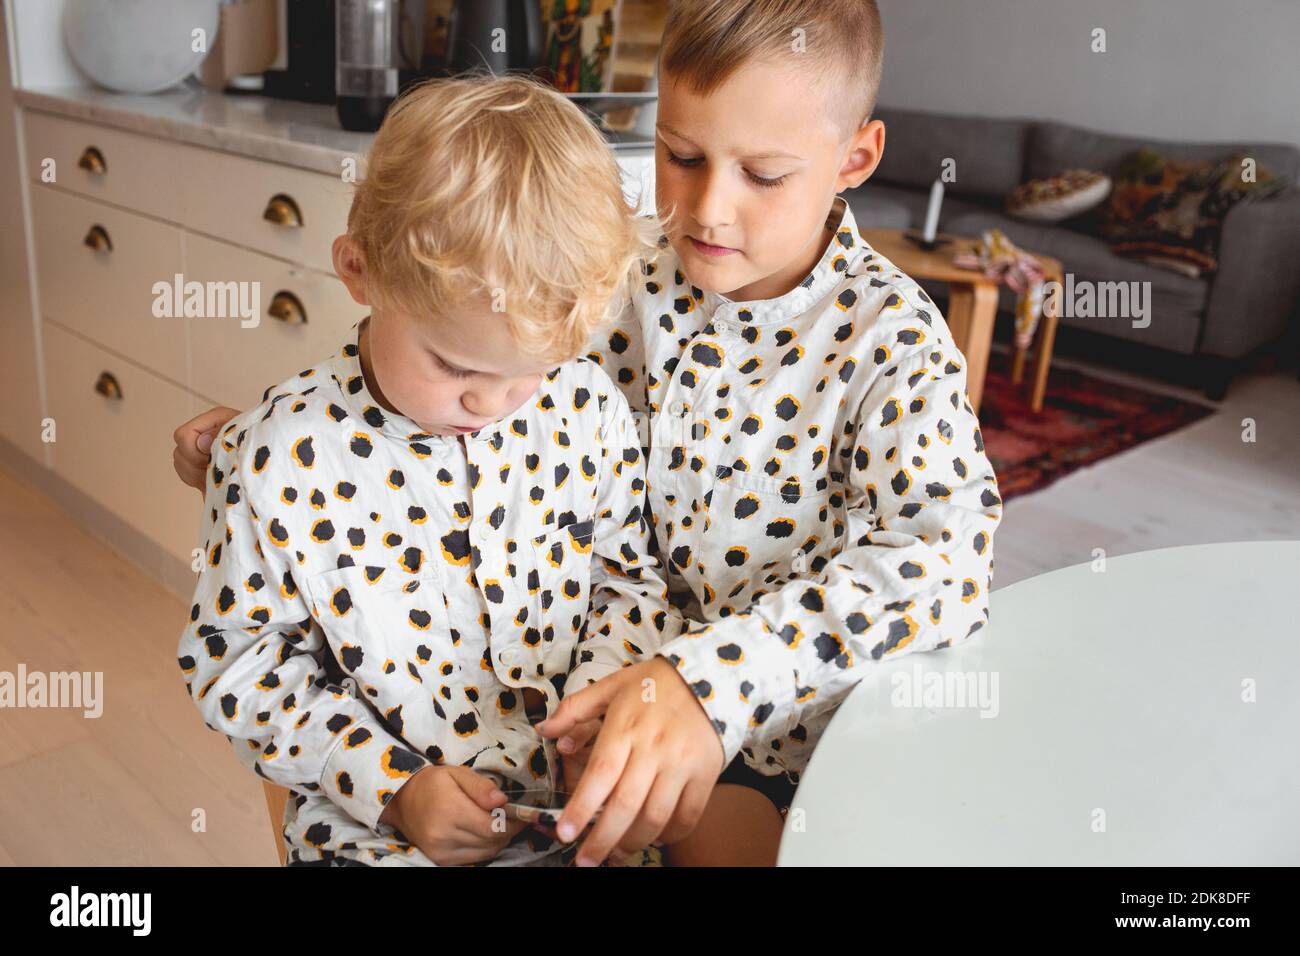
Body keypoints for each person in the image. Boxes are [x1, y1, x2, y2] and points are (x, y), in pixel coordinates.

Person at [173, 0, 1002, 867]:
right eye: (681, 157)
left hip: (782, 742)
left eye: (763, 175)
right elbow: (442, 342)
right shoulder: (611, 270)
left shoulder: (890, 338)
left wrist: (704, 682)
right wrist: (277, 442)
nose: (709, 211)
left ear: (854, 158)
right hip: (551, 747)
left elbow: (946, 561)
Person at [176, 75, 677, 867]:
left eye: (530, 373)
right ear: (359, 272)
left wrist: (597, 718)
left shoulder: (587, 407)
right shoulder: (276, 458)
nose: (493, 402)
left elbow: (630, 586)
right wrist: (390, 785)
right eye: (451, 364)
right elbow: (234, 664)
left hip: (580, 816)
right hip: (382, 838)